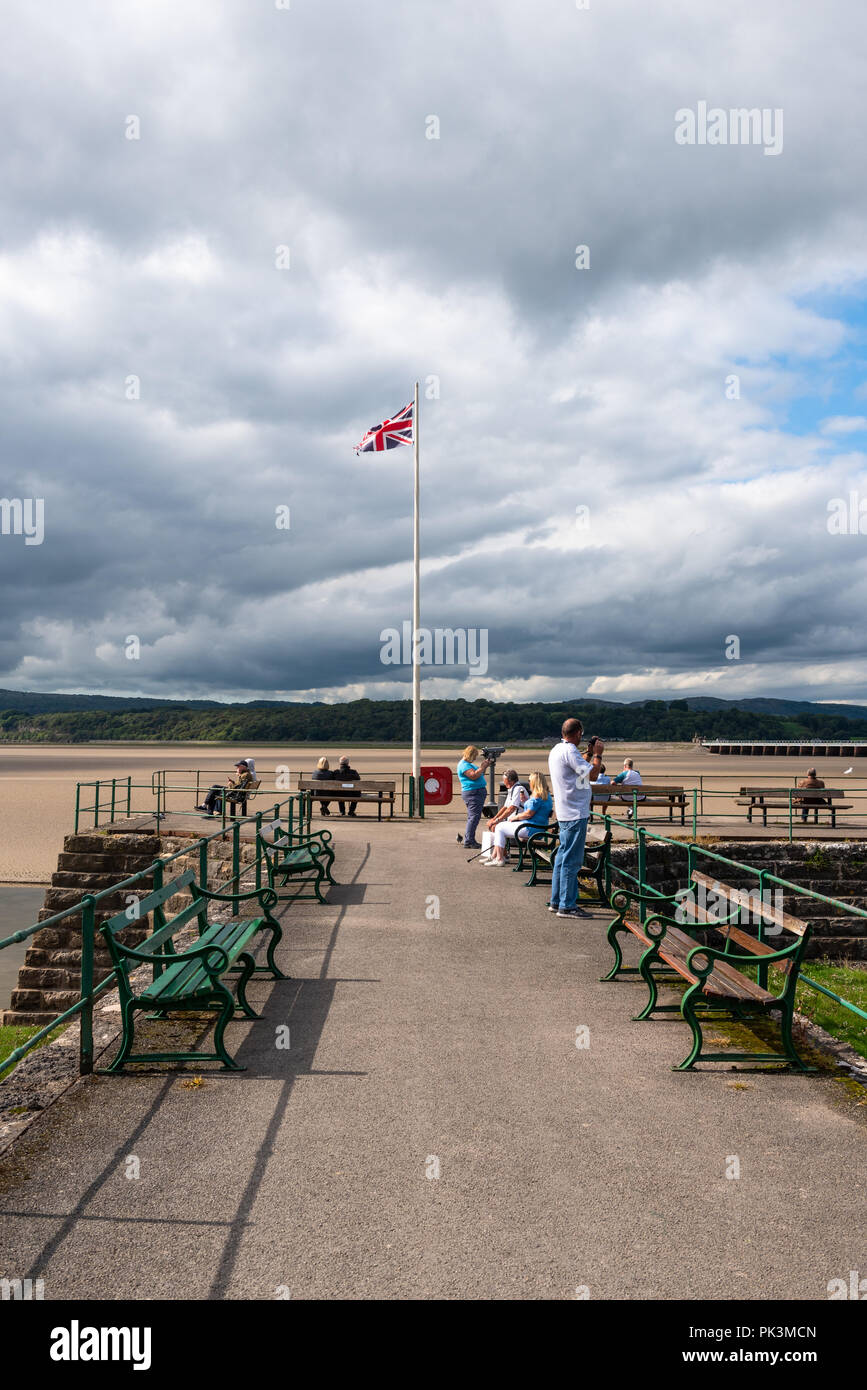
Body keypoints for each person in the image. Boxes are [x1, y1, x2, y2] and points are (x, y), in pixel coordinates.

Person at [547, 717, 601, 918]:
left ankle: (557, 901)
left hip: (565, 811)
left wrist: (588, 753)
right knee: (572, 861)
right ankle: (567, 906)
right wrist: (598, 755)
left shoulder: (557, 750)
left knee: (562, 858)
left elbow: (578, 772)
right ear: (578, 733)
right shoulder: (570, 751)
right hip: (575, 813)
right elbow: (592, 775)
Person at [485, 772, 552, 865]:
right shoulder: (546, 795)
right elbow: (536, 810)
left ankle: (499, 859)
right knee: (501, 827)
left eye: (529, 780)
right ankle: (496, 856)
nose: (529, 782)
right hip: (538, 827)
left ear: (534, 782)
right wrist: (526, 801)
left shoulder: (537, 795)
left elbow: (528, 814)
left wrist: (515, 817)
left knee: (499, 827)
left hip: (530, 828)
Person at [456, 745, 491, 849]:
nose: (475, 758)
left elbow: (479, 774)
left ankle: (470, 839)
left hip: (475, 792)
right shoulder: (464, 765)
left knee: (474, 816)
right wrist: (482, 767)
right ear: (470, 755)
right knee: (474, 817)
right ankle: (469, 841)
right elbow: (473, 776)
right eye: (474, 756)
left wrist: (484, 766)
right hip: (473, 793)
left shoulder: (468, 764)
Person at [486, 769, 529, 841]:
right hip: (513, 821)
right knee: (493, 825)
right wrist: (494, 818)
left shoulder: (518, 789)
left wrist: (497, 820)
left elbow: (512, 808)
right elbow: (505, 807)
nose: (503, 782)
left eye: (504, 780)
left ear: (510, 781)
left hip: (519, 821)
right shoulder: (512, 789)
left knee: (495, 827)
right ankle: (501, 847)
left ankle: (501, 848)